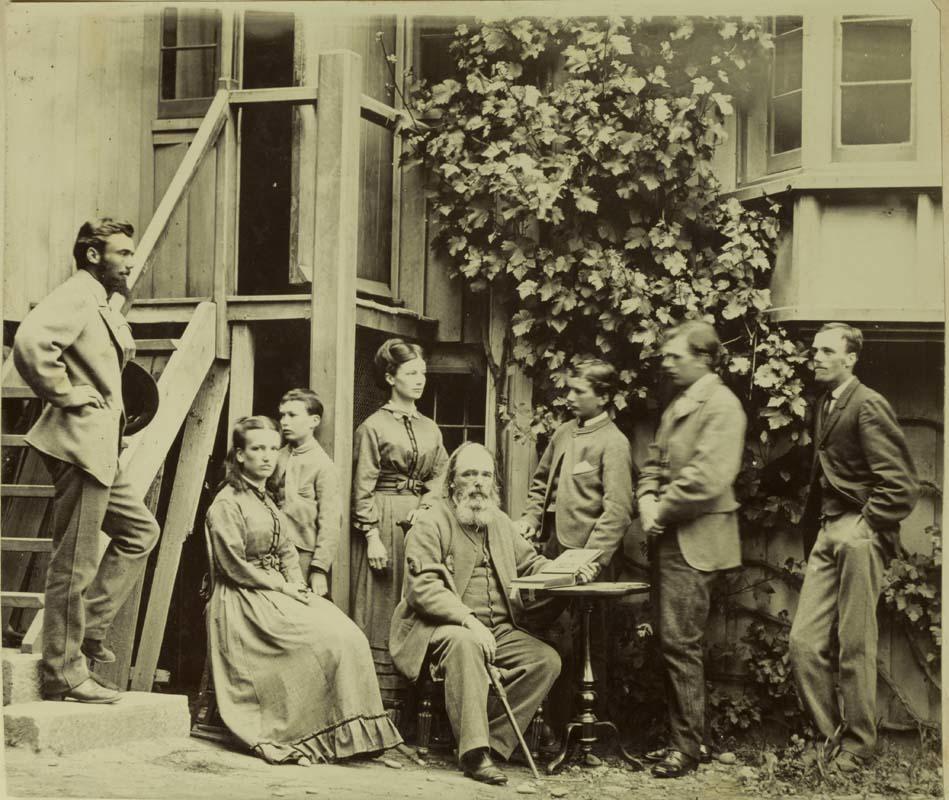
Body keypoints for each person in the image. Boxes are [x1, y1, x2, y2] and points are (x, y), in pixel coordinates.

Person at [13, 218, 160, 703]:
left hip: (99, 450)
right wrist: (67, 395)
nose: (130, 261)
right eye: (121, 253)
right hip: (78, 446)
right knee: (74, 563)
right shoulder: (76, 294)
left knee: (140, 532)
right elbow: (32, 342)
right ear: (94, 255)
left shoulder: (99, 301)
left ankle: (90, 629)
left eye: (131, 253)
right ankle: (64, 672)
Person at [390, 442, 597, 785]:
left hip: (499, 628)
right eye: (469, 474)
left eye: (485, 475)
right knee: (466, 643)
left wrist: (569, 569)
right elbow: (422, 588)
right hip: (438, 627)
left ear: (494, 484)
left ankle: (494, 743)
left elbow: (531, 564)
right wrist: (467, 620)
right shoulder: (431, 522)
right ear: (452, 482)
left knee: (545, 659)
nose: (478, 483)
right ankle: (473, 754)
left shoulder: (499, 522)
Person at [204, 415, 403, 765]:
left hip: (277, 590)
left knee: (349, 635)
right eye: (257, 449)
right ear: (239, 455)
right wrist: (282, 587)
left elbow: (286, 551)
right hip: (241, 599)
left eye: (271, 448)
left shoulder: (265, 498)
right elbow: (232, 566)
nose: (267, 456)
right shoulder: (227, 502)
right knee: (324, 641)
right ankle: (303, 730)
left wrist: (297, 585)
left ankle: (347, 732)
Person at [788, 323, 918, 772]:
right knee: (803, 642)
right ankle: (830, 739)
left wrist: (864, 524)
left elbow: (901, 486)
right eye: (815, 350)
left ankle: (860, 746)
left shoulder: (867, 404)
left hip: (858, 533)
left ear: (851, 358)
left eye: (827, 351)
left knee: (856, 643)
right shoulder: (825, 402)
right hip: (826, 532)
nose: (817, 357)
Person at [637, 321, 746, 778]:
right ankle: (683, 739)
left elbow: (706, 477)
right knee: (669, 640)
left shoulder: (722, 407)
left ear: (704, 358)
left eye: (674, 356)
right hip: (669, 536)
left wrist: (659, 510)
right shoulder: (679, 404)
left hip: (696, 539)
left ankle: (687, 745)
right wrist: (645, 498)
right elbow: (654, 462)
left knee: (681, 642)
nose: (665, 363)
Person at [514, 359, 634, 730]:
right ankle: (542, 724)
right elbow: (538, 483)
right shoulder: (564, 432)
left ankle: (588, 733)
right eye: (570, 389)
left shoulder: (614, 443)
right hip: (552, 553)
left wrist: (591, 562)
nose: (570, 398)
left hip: (592, 561)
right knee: (532, 623)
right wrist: (532, 519)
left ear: (603, 396)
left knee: (590, 642)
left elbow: (617, 512)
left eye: (579, 391)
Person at [350, 338, 448, 717]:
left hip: (421, 524)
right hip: (383, 521)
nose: (419, 380)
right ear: (391, 378)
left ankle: (411, 706)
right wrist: (372, 535)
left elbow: (440, 475)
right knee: (381, 605)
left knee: (416, 601)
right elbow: (362, 485)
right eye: (411, 373)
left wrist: (426, 506)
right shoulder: (373, 427)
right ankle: (377, 705)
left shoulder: (431, 427)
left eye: (422, 373)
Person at [271, 388, 340, 598]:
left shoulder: (323, 465)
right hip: (272, 553)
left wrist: (319, 568)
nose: (284, 421)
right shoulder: (275, 456)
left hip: (304, 556)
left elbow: (330, 522)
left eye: (292, 415)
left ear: (314, 421)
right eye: (282, 415)